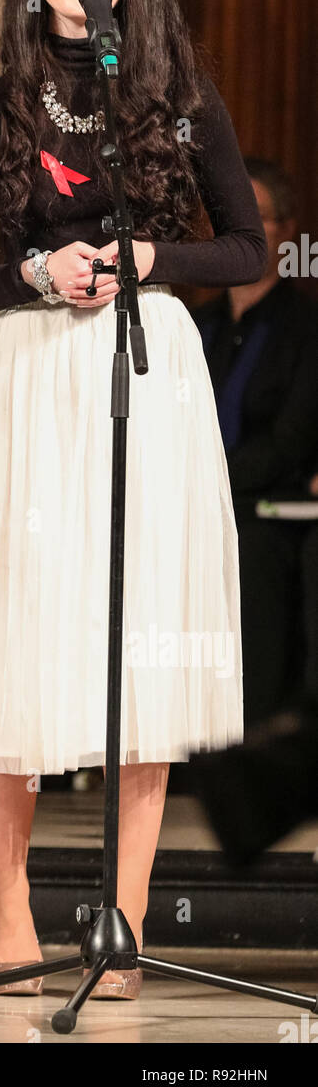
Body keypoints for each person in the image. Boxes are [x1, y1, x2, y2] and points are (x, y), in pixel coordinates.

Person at [0, 0, 266, 999]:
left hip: (146, 367)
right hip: (30, 373)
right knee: (20, 628)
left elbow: (247, 248)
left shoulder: (177, 100)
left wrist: (147, 261)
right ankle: (8, 900)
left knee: (143, 634)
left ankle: (120, 911)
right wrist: (29, 271)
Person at [192, 159, 318, 726]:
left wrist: (208, 490)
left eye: (257, 217)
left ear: (286, 230)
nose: (241, 227)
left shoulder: (305, 328)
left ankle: (246, 737)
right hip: (183, 501)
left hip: (263, 505)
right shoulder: (190, 325)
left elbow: (290, 441)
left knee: (251, 548)